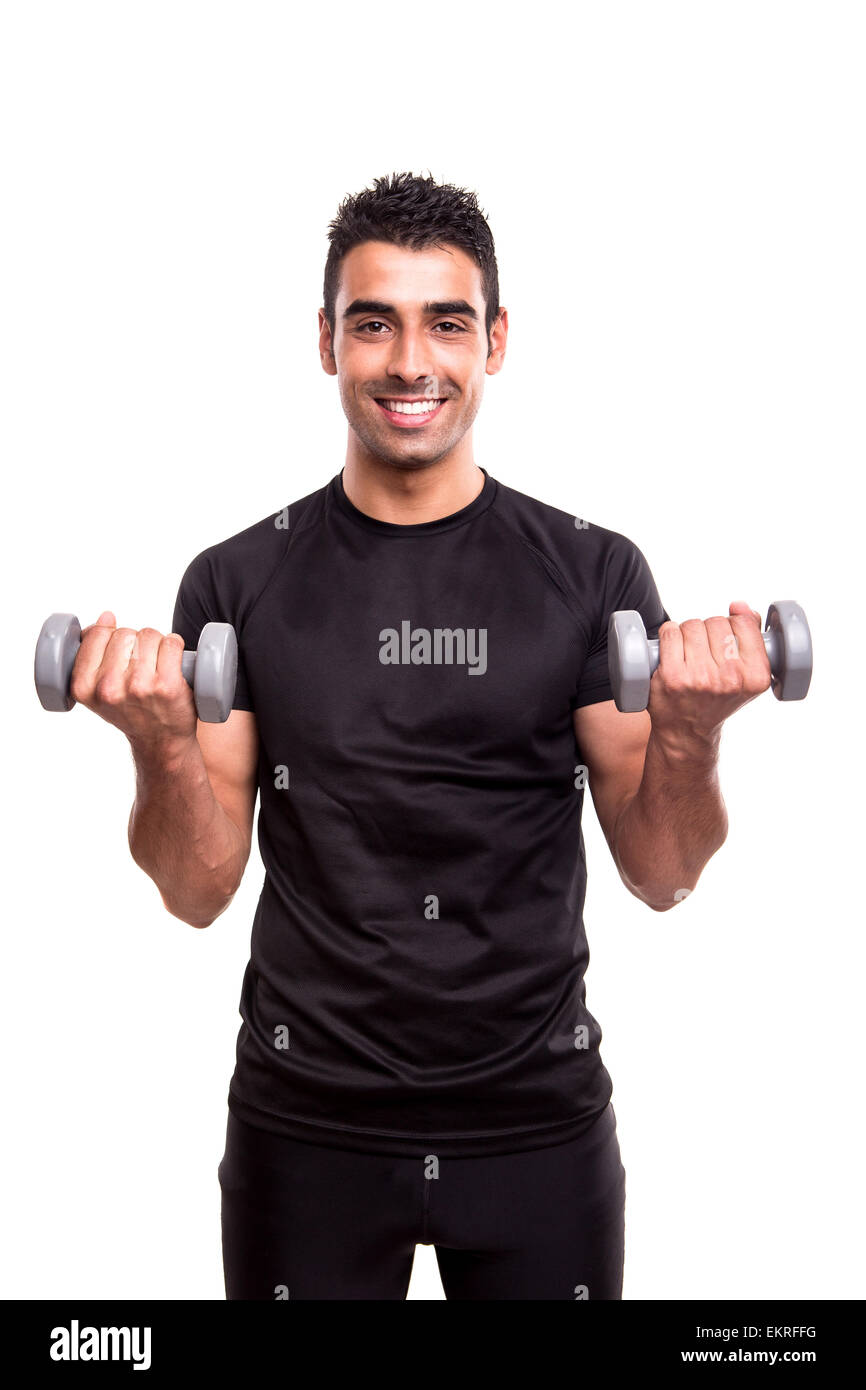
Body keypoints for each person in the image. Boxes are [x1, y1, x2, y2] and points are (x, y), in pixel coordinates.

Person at [72, 171, 773, 1300]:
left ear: (494, 340)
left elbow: (662, 872)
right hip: (307, 1125)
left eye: (445, 322)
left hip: (534, 1124)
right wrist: (157, 741)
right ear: (324, 342)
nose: (409, 361)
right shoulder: (237, 582)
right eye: (373, 323)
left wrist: (686, 730)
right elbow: (198, 887)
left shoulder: (593, 575)